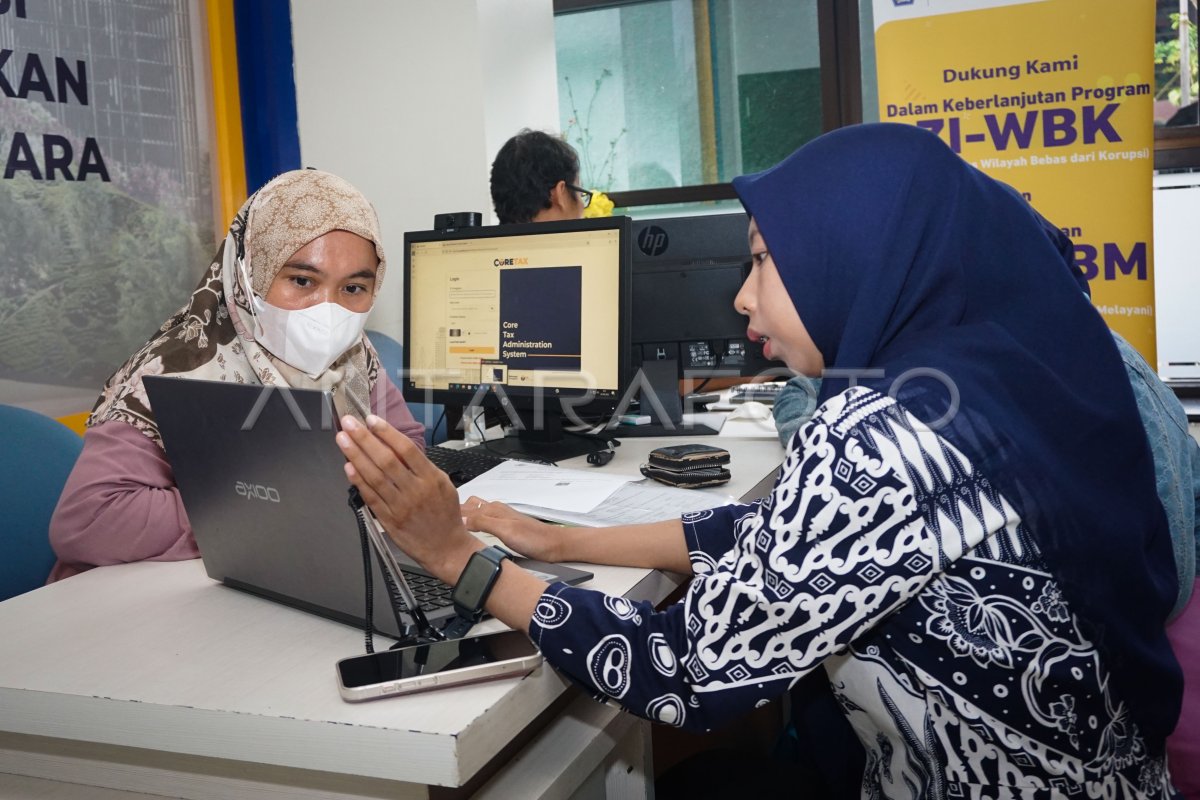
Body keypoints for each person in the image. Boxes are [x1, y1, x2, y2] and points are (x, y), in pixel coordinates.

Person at [337, 124, 1182, 795]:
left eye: (766, 261)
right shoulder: (992, 375)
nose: (743, 294)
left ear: (858, 260)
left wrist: (459, 559)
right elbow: (786, 533)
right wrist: (559, 543)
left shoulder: (883, 435)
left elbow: (683, 669)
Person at [48, 169, 425, 582]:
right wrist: (275, 506)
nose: (328, 310)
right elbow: (92, 518)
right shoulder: (174, 371)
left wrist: (320, 503)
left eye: (353, 288)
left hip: (284, 577)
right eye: (302, 280)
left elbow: (405, 450)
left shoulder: (354, 355)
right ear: (250, 276)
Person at [489, 128, 591, 224]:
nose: (582, 205)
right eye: (581, 194)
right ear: (561, 193)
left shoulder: (478, 241)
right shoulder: (587, 242)